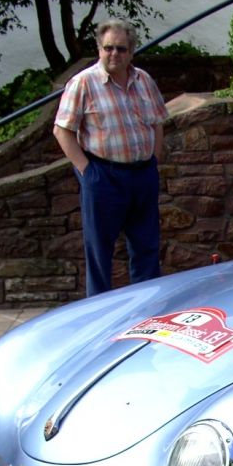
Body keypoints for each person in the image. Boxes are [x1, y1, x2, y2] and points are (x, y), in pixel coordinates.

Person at [53, 19, 169, 296]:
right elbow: (62, 130)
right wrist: (87, 172)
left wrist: (154, 160)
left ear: (131, 51)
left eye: (121, 48)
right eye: (108, 48)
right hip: (104, 176)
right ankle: (100, 316)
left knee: (147, 248)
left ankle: (147, 309)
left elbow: (158, 122)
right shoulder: (83, 83)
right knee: (99, 253)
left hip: (142, 174)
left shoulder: (143, 80)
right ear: (98, 48)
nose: (114, 54)